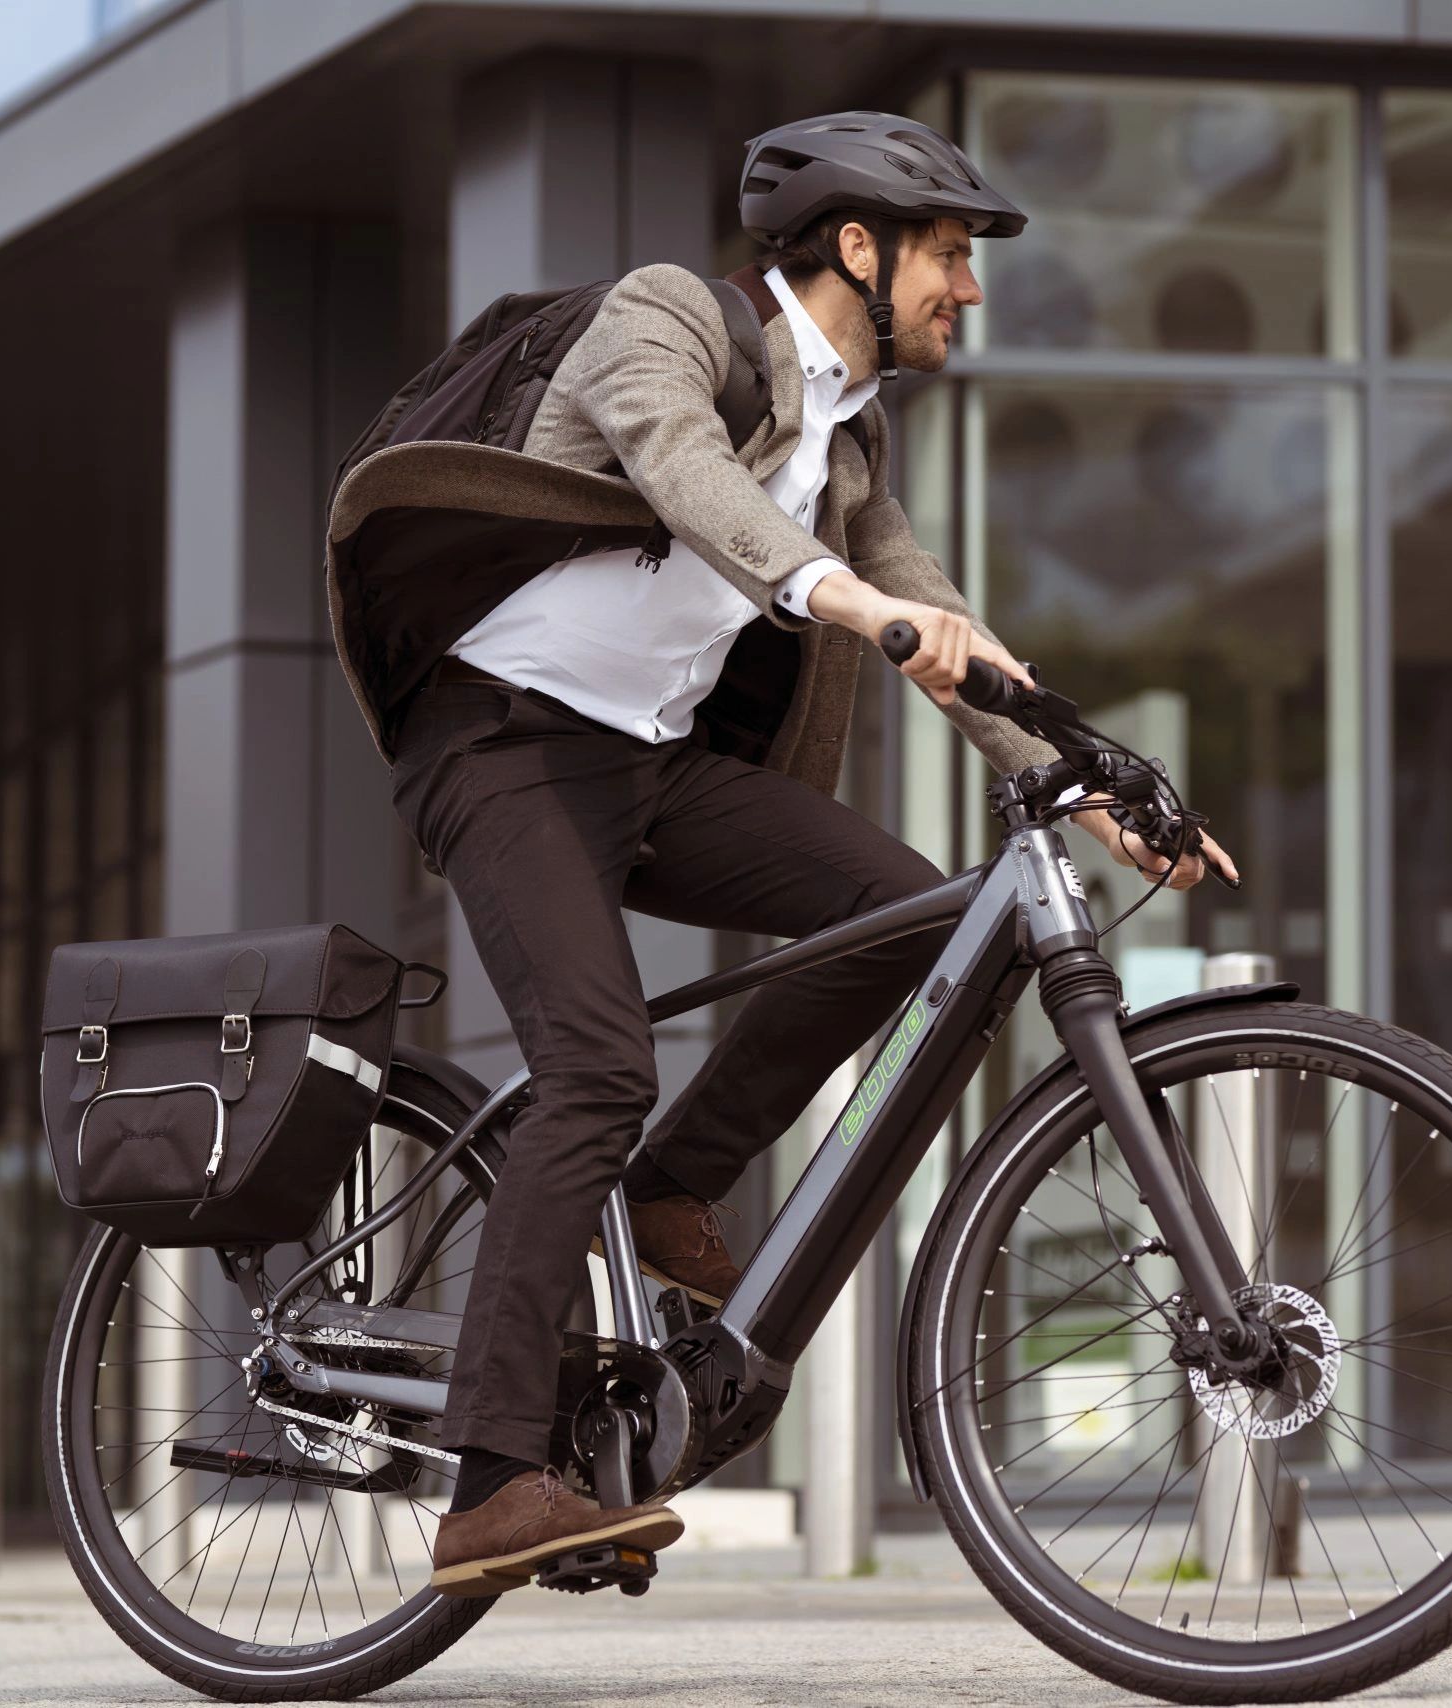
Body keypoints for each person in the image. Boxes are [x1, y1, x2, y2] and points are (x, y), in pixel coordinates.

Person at [385, 111, 1241, 1596]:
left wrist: (1080, 770)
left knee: (910, 916)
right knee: (593, 1064)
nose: (967, 292)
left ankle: (668, 1191)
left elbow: (934, 603)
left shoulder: (852, 433)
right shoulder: (668, 319)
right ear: (858, 245)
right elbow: (683, 474)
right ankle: (483, 1484)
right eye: (952, 258)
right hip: (502, 745)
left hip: (649, 765)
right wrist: (846, 605)